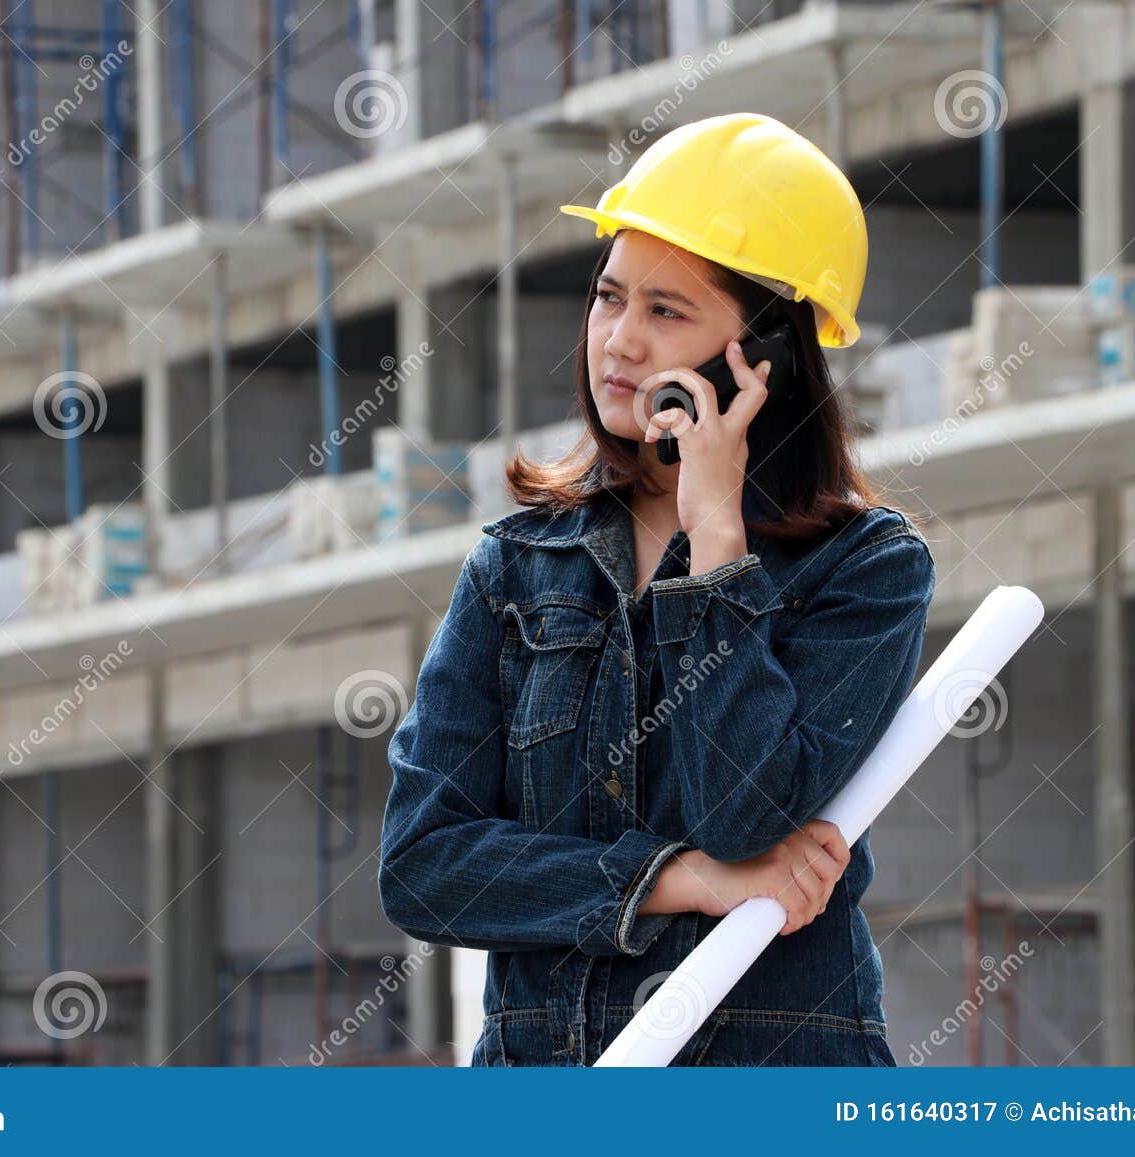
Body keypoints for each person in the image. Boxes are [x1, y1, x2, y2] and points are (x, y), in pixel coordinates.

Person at [378, 112, 935, 1066]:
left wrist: (716, 544)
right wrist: (679, 878)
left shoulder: (865, 568)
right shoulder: (518, 567)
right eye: (608, 298)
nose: (619, 342)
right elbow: (425, 869)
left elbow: (749, 810)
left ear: (765, 356)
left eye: (666, 311)